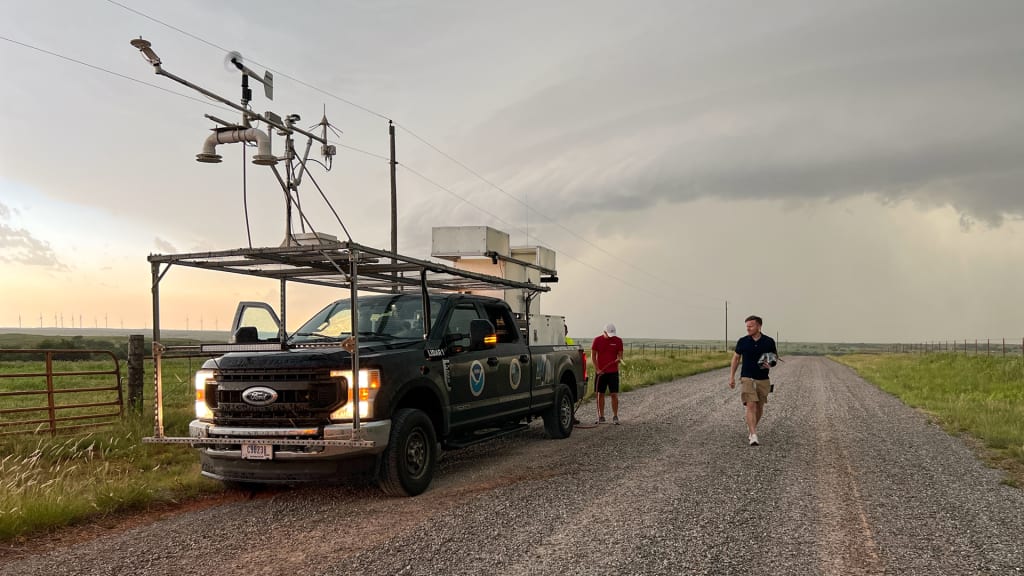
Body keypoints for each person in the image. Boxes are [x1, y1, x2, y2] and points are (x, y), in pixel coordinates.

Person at [729, 315, 778, 446]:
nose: (748, 328)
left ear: (759, 326)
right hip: (747, 378)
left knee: (759, 406)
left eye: (750, 326)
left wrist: (771, 363)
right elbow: (736, 358)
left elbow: (774, 358)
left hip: (763, 379)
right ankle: (754, 435)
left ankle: (751, 429)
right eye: (747, 326)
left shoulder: (769, 341)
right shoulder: (743, 341)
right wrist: (732, 377)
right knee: (750, 405)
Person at [591, 323, 624, 424]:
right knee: (600, 394)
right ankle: (601, 416)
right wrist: (597, 369)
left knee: (614, 394)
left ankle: (615, 416)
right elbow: (593, 356)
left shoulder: (618, 341)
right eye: (608, 334)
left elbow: (620, 356)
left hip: (613, 372)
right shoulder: (597, 340)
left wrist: (619, 359)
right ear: (604, 332)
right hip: (601, 372)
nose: (610, 336)